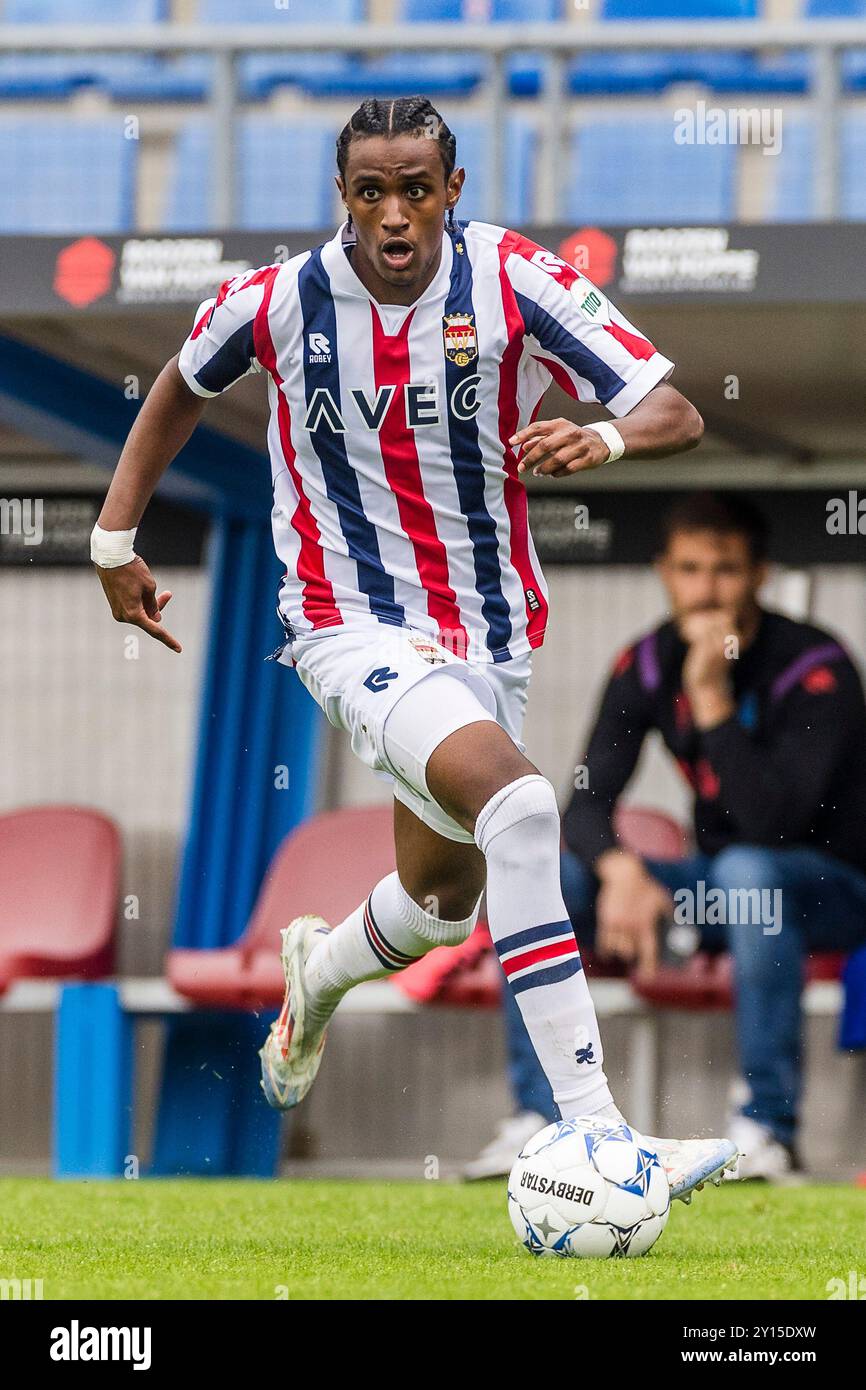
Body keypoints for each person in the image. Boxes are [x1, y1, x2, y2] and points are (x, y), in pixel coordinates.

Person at [92, 96, 736, 1201]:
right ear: (341, 197)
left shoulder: (512, 281)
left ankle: (319, 972)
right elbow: (179, 387)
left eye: (416, 189)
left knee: (442, 905)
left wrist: (605, 432)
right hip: (346, 625)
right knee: (525, 807)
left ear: (453, 191)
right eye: (370, 191)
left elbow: (675, 408)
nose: (395, 212)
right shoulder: (284, 298)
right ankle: (595, 1132)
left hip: (487, 636)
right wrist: (112, 540)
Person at [474, 491, 866, 1181]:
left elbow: (775, 824)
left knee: (749, 871)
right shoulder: (648, 663)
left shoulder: (817, 664)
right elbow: (585, 805)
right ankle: (545, 1123)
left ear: (760, 574)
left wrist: (710, 696)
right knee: (557, 879)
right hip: (723, 895)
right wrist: (624, 872)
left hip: (831, 894)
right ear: (663, 572)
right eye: (689, 570)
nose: (706, 590)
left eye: (726, 570)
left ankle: (767, 1130)